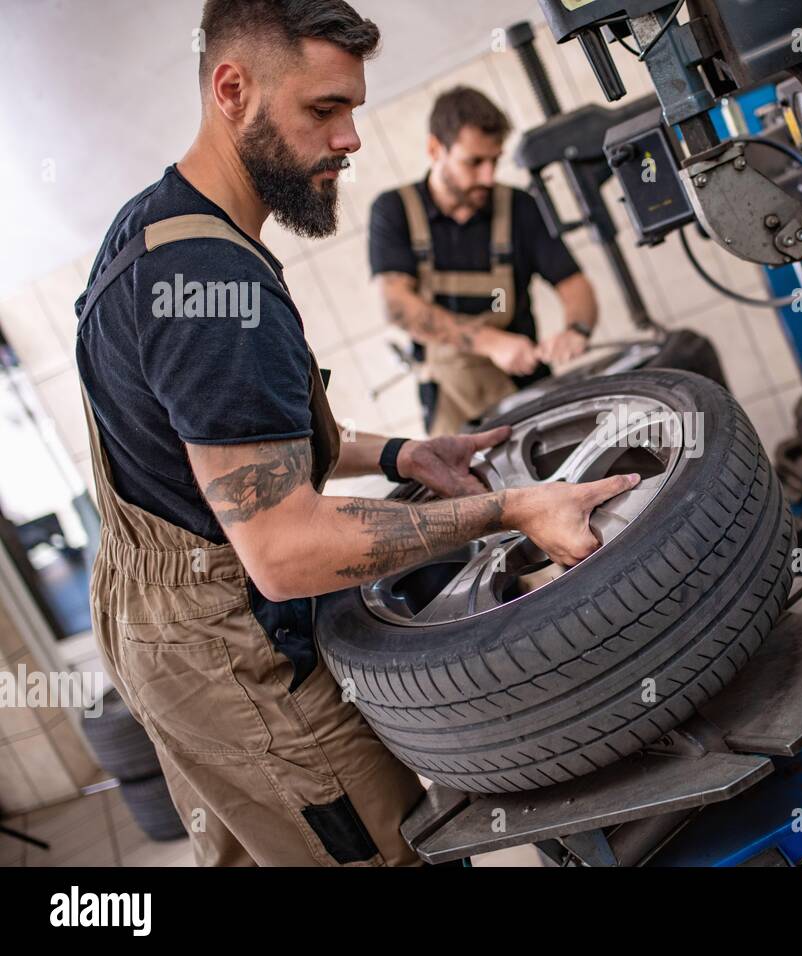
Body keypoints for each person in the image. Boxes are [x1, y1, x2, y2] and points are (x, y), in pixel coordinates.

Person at [74, 0, 634, 866]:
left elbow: (227, 449)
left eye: (353, 110)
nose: (351, 139)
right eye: (323, 110)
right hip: (231, 649)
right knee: (375, 852)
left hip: (162, 624)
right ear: (233, 89)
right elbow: (287, 548)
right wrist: (511, 509)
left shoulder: (155, 228)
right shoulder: (214, 285)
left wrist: (407, 453)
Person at [369, 86, 598, 435]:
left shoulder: (519, 208)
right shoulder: (395, 211)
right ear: (435, 149)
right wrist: (490, 342)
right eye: (474, 162)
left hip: (528, 390)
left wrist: (575, 330)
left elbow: (575, 285)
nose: (488, 177)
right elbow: (397, 306)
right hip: (450, 403)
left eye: (495, 160)